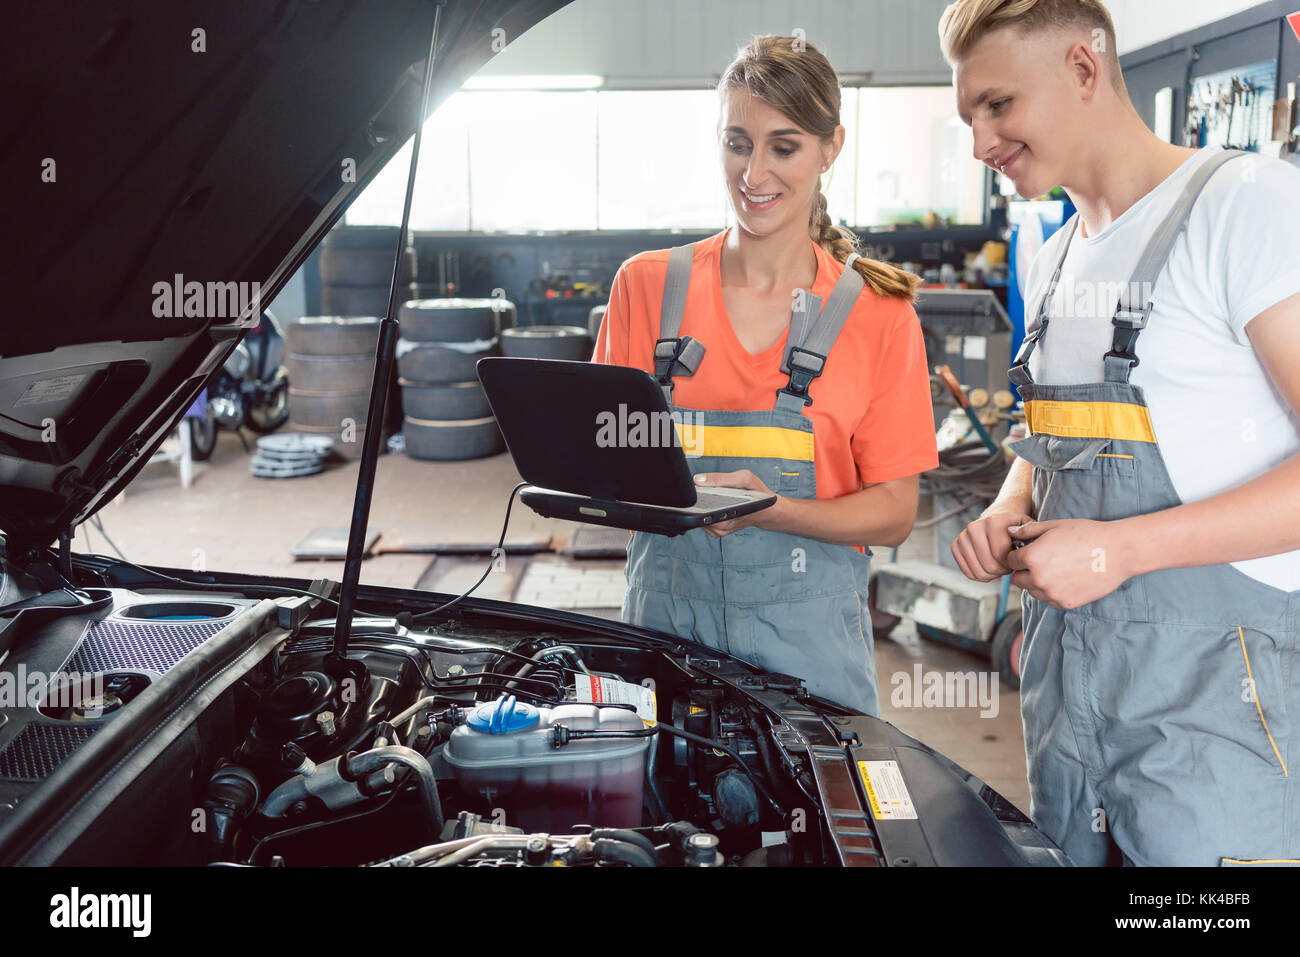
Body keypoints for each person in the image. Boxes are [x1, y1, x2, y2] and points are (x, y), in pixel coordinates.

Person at [942, 0, 1300, 866]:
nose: (980, 142)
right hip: (1069, 712)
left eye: (997, 106)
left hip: (1212, 719)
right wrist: (1008, 501)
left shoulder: (1245, 207)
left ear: (1083, 67)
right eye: (968, 117)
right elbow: (1053, 436)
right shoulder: (1054, 255)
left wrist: (1119, 550)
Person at [591, 35, 939, 716]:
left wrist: (769, 510)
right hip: (664, 640)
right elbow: (602, 466)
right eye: (737, 143)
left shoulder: (879, 315)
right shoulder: (646, 287)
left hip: (811, 659)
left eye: (784, 147)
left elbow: (896, 512)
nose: (754, 173)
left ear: (830, 148)